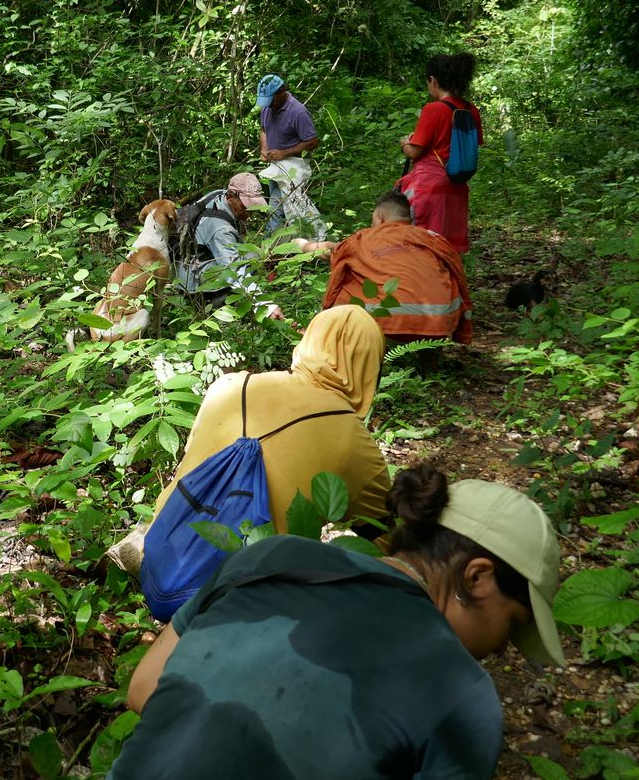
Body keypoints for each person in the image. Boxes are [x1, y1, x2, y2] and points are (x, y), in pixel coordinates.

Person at [110, 464, 566, 780]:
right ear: (478, 578)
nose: (505, 648)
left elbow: (143, 686)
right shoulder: (464, 697)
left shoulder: (272, 556)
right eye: (514, 624)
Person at [106, 306, 388, 577]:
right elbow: (387, 536)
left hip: (162, 552)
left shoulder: (230, 386)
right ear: (369, 366)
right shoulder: (355, 442)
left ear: (309, 341)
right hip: (242, 592)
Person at [299, 189, 473, 348]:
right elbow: (459, 277)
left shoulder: (361, 239)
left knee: (345, 274)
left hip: (382, 327)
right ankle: (427, 358)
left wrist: (303, 245)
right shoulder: (434, 239)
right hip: (438, 325)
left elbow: (331, 259)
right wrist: (463, 331)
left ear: (380, 217)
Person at [397, 53, 484, 254]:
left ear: (433, 80)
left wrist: (404, 143)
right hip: (457, 188)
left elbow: (414, 151)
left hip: (428, 188)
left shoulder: (434, 109)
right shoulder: (472, 110)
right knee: (447, 250)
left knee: (422, 247)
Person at [175, 171, 285, 321]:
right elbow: (235, 271)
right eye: (245, 206)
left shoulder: (218, 195)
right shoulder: (221, 230)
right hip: (192, 277)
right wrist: (265, 305)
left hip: (190, 263)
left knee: (251, 256)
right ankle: (218, 308)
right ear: (231, 196)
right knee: (249, 261)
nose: (249, 213)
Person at [255, 74, 327, 239]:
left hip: (293, 167)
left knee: (277, 207)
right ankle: (291, 242)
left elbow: (312, 141)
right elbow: (264, 130)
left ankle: (272, 246)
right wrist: (264, 148)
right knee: (284, 207)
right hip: (275, 167)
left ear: (281, 92)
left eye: (271, 100)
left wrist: (284, 153)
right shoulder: (267, 108)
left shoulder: (298, 112)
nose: (268, 105)